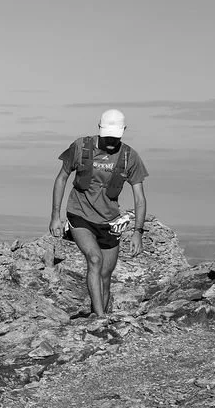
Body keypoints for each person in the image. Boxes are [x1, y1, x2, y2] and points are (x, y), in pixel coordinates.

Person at [48, 109, 149, 319]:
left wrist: (138, 231)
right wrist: (55, 216)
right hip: (80, 214)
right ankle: (100, 319)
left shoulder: (130, 157)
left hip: (110, 222)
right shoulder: (80, 147)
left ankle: (98, 313)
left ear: (123, 132)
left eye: (115, 137)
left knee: (105, 275)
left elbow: (139, 197)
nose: (111, 141)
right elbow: (62, 178)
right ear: (100, 130)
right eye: (107, 137)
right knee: (94, 260)